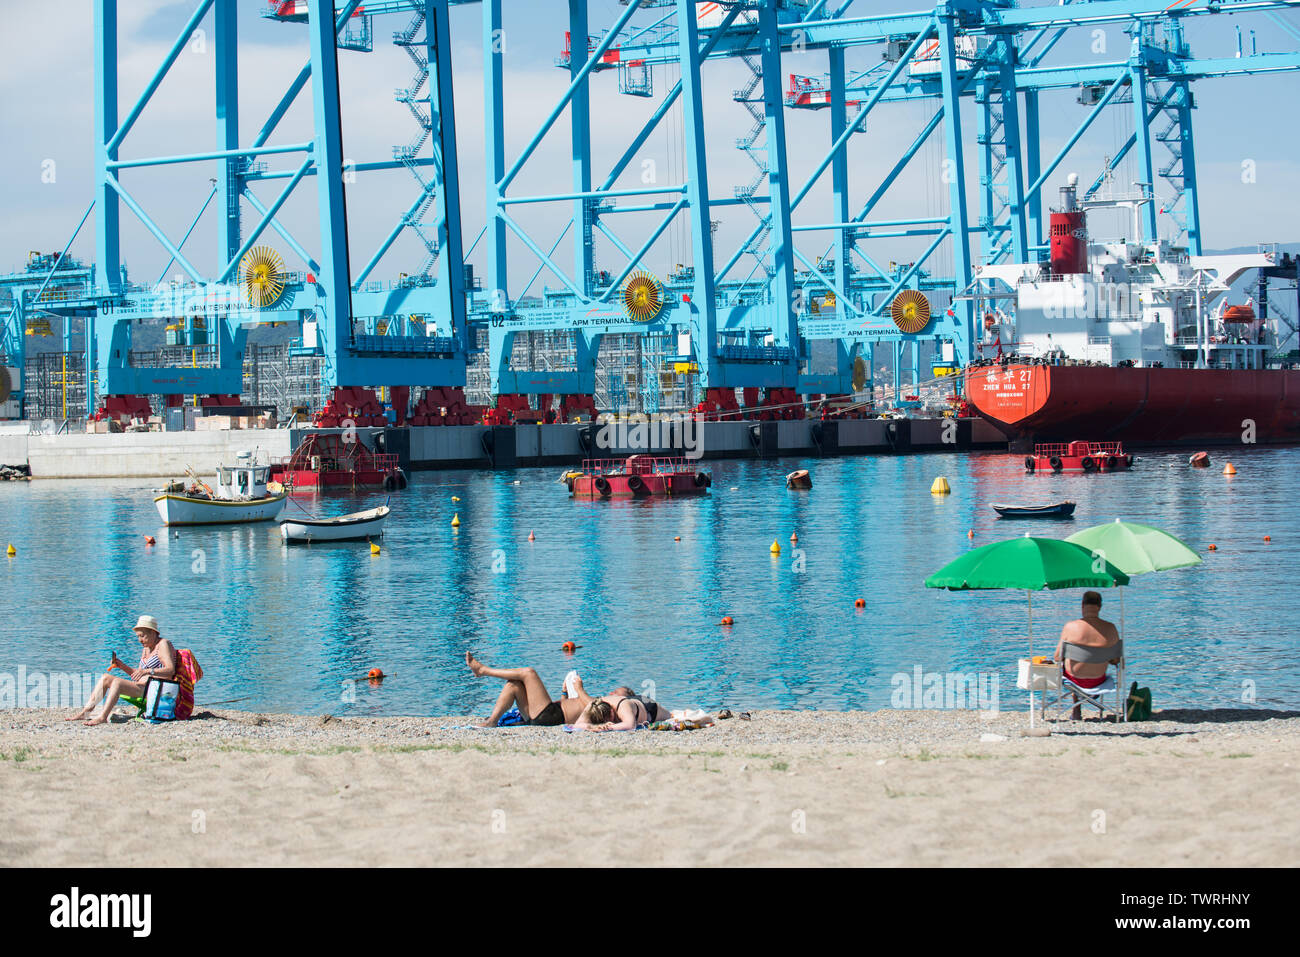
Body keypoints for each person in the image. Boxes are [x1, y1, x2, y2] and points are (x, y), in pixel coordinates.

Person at [68, 615, 176, 726]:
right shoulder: (147, 647)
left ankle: (103, 717)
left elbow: (170, 670)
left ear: (153, 632)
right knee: (106, 678)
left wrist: (147, 671)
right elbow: (138, 675)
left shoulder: (163, 644)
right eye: (138, 636)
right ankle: (85, 712)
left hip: (157, 691)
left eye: (142, 636)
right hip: (143, 686)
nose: (140, 640)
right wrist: (122, 666)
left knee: (117, 683)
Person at [465, 652, 611, 728]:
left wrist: (579, 689)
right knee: (514, 685)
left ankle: (483, 670)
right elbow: (571, 709)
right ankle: (492, 721)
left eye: (617, 692)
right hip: (551, 714)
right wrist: (564, 693)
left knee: (529, 673)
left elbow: (593, 708)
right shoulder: (594, 700)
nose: (613, 693)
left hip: (551, 717)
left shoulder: (603, 704)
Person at [1053, 591, 1122, 720]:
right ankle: (1084, 705)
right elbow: (1116, 660)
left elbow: (1057, 657)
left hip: (1074, 680)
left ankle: (1076, 709)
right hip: (1098, 680)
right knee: (1087, 665)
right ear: (1100, 606)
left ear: (1082, 605)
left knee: (1071, 665)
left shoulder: (1071, 627)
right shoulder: (1111, 628)